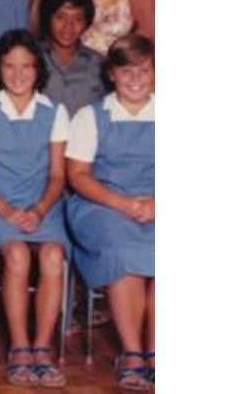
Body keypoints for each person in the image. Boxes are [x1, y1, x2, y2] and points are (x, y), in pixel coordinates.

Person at [0, 30, 70, 388]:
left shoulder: (54, 112)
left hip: (42, 207)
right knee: (18, 255)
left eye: (26, 66)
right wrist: (6, 210)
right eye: (10, 66)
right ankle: (20, 347)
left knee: (53, 256)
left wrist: (39, 210)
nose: (18, 73)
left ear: (38, 69)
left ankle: (42, 348)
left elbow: (57, 175)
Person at [65, 34, 155, 391]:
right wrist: (123, 204)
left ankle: (158, 353)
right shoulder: (91, 116)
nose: (135, 79)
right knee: (121, 248)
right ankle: (132, 354)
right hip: (102, 203)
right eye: (126, 71)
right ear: (112, 75)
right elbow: (78, 175)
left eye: (144, 71)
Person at [39, 0, 106, 114]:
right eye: (60, 17)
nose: (68, 26)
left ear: (86, 23)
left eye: (78, 19)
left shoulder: (98, 63)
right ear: (48, 18)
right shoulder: (32, 58)